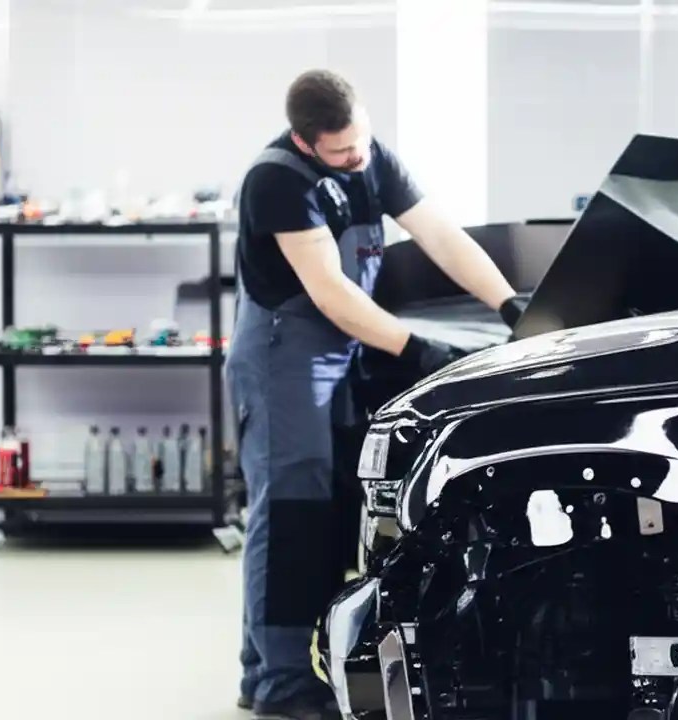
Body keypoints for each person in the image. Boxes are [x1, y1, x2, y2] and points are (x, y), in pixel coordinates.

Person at [227, 68, 524, 720]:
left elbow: (439, 233)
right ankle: (280, 686)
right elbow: (329, 290)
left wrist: (507, 303)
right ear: (307, 143)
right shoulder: (276, 179)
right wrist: (418, 350)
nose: (356, 158)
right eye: (340, 152)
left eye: (360, 142)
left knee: (332, 509)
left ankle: (271, 670)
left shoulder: (371, 154)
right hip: (285, 358)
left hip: (339, 352)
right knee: (291, 515)